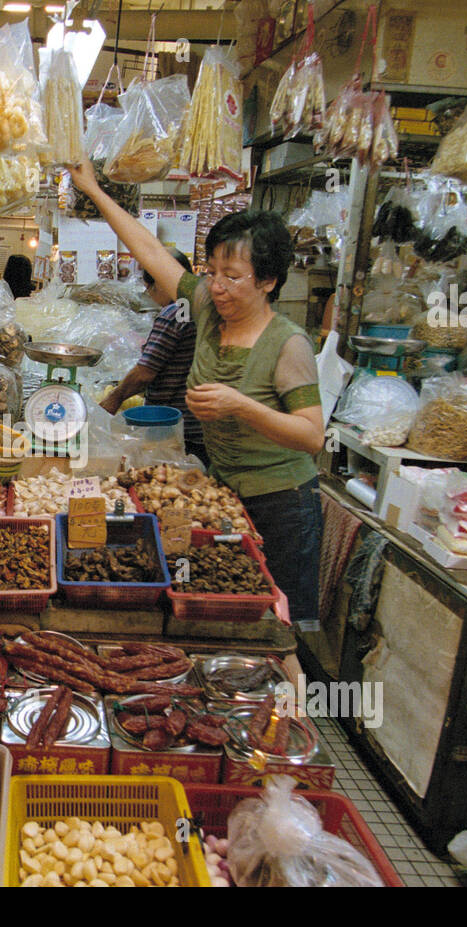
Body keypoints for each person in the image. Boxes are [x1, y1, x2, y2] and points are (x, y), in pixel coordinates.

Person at [68, 161, 324, 670]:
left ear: (269, 281)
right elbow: (150, 250)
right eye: (212, 272)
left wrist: (240, 405)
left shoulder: (287, 343)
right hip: (226, 495)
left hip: (283, 504)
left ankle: (293, 729)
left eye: (234, 276)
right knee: (230, 618)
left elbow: (312, 436)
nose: (219, 286)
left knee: (279, 630)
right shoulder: (207, 307)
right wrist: (91, 188)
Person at [99, 248, 206, 465]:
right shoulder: (201, 308)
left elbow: (145, 373)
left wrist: (113, 399)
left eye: (148, 288)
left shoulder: (175, 312)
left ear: (159, 282)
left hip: (174, 425)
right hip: (201, 423)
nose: (150, 295)